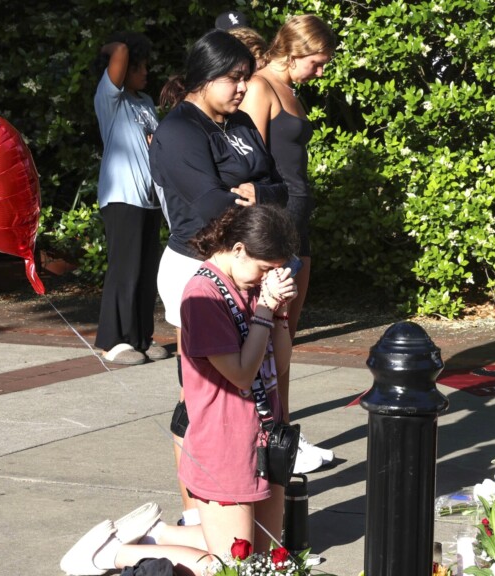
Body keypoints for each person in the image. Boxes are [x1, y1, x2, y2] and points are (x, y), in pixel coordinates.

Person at [60, 204, 298, 576]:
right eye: (265, 268)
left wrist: (280, 311)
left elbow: (278, 366)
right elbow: (239, 373)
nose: (267, 278)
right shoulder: (203, 295)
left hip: (265, 440)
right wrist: (266, 310)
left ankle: (156, 535)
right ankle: (118, 555)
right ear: (237, 249)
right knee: (231, 567)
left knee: (265, 561)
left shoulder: (251, 285)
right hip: (225, 445)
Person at [151, 29, 288, 527]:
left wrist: (254, 191)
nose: (241, 89)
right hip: (199, 266)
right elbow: (211, 206)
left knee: (255, 383)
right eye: (234, 79)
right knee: (205, 393)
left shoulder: (237, 122)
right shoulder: (179, 131)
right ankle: (198, 508)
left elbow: (279, 188)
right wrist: (251, 195)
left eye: (246, 79)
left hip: (248, 262)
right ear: (205, 76)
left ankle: (246, 486)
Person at [237, 14, 336, 473]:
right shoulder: (260, 86)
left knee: (285, 337)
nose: (321, 72)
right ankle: (270, 436)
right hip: (276, 221)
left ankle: (283, 432)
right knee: (270, 331)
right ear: (295, 51)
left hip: (298, 219)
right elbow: (246, 161)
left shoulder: (288, 89)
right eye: (316, 63)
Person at [92, 31, 169, 366]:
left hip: (149, 199)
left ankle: (140, 337)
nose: (146, 72)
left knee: (145, 270)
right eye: (141, 66)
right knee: (124, 270)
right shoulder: (111, 98)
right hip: (122, 197)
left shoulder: (146, 102)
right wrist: (106, 49)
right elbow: (120, 50)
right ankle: (113, 340)